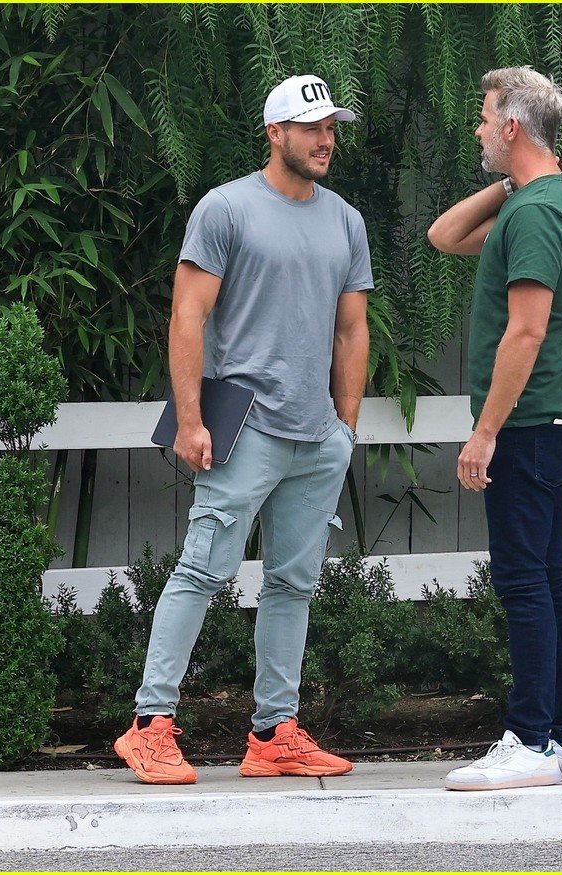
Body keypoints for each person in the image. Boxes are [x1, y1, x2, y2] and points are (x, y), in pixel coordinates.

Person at [114, 74, 372, 784]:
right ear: (275, 133)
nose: (326, 139)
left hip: (315, 434)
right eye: (312, 126)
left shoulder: (345, 219)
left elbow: (353, 330)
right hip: (245, 425)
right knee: (202, 569)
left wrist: (343, 429)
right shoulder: (225, 209)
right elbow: (187, 316)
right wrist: (190, 419)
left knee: (293, 584)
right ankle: (149, 725)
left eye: (331, 127)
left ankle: (273, 734)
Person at [427, 66, 562, 791]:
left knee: (523, 581)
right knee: (554, 577)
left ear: (510, 127)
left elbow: (525, 333)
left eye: (483, 117)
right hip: (550, 421)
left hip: (526, 424)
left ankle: (530, 740)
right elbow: (445, 236)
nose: (476, 128)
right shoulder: (543, 200)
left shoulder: (536, 214)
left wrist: (484, 431)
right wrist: (511, 181)